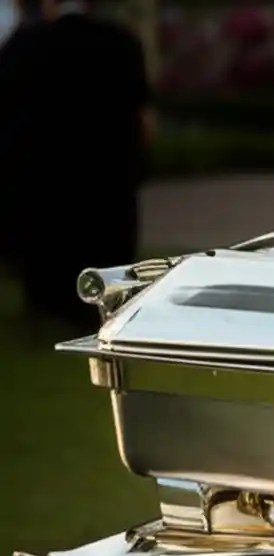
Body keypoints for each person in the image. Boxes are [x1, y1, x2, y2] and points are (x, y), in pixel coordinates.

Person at [0, 0, 151, 329]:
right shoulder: (120, 41)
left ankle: (47, 309)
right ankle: (104, 308)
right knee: (105, 243)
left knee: (48, 248)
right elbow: (141, 115)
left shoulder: (25, 45)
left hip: (43, 175)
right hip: (106, 173)